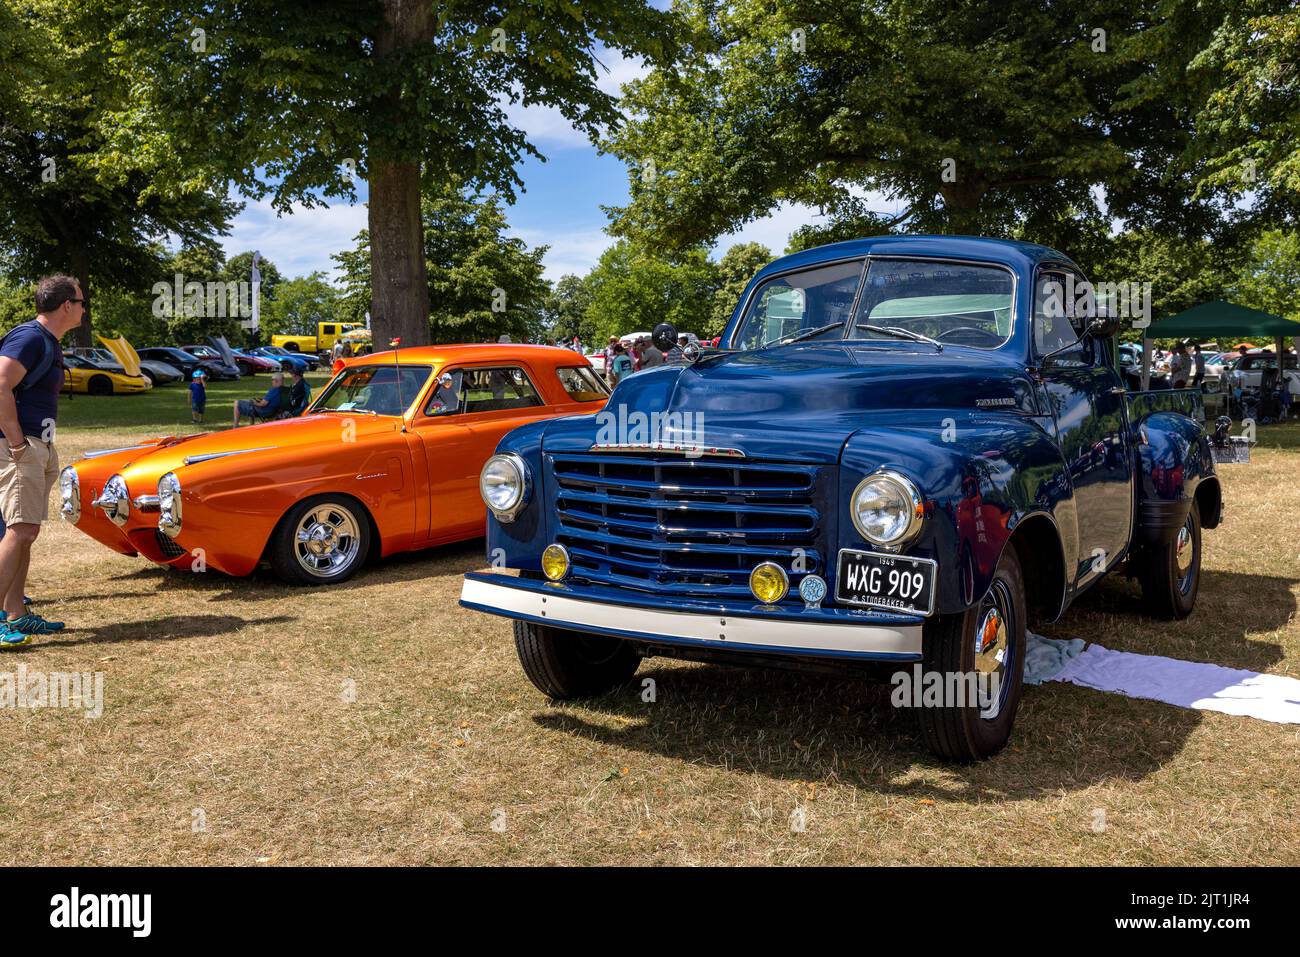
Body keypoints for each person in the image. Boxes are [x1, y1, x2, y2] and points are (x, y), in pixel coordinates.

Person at [0, 274, 81, 646]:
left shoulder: (48, 340)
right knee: (19, 531)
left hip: (40, 445)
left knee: (26, 533)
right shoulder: (31, 337)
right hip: (21, 447)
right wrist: (17, 443)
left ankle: (16, 614)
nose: (83, 309)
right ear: (67, 304)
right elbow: (1, 383)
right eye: (81, 302)